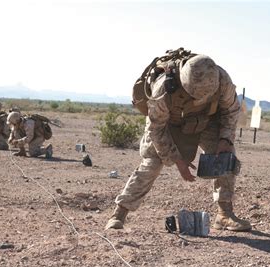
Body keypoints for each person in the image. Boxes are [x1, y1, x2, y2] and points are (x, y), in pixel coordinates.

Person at [105, 51, 251, 232]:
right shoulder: (163, 88)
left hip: (206, 120)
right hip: (169, 124)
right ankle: (119, 213)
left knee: (226, 156)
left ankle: (224, 215)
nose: (200, 98)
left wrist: (225, 139)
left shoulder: (222, 81)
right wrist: (178, 160)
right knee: (152, 163)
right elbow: (156, 129)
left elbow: (230, 111)